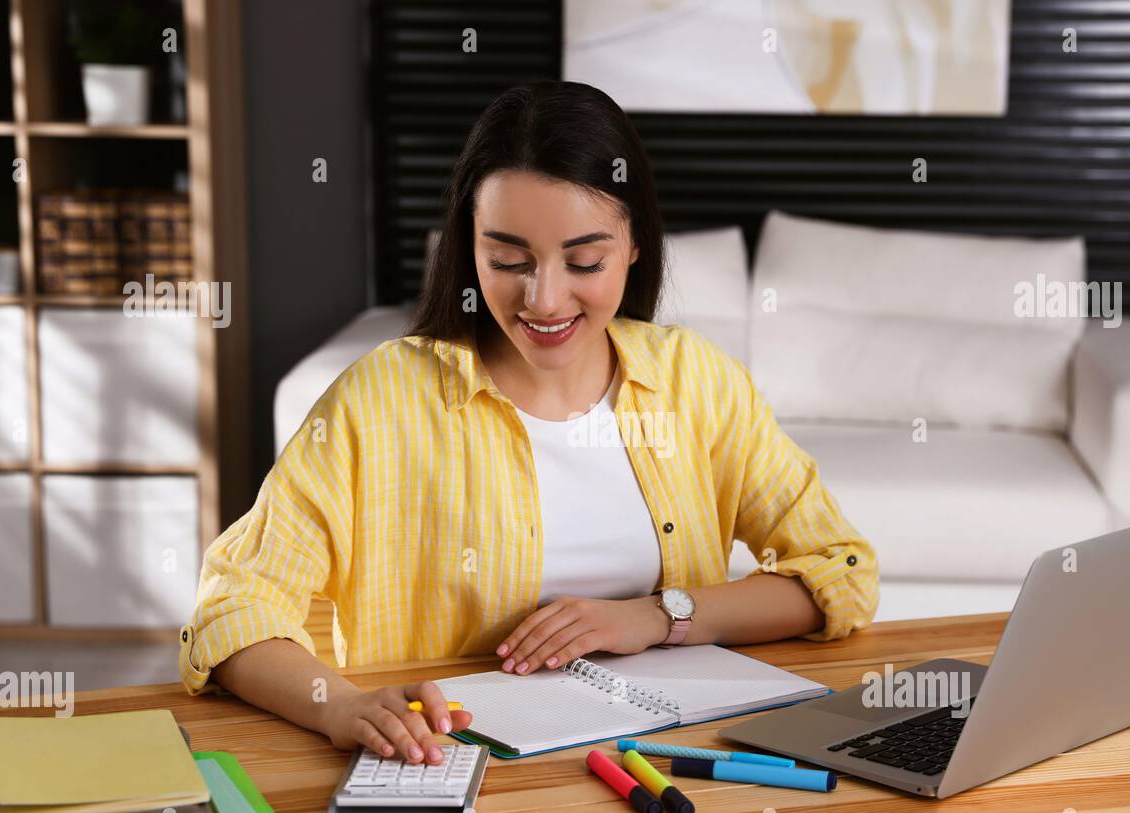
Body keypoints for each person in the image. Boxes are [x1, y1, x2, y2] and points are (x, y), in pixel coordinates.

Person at [179, 80, 879, 765]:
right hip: (457, 764)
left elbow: (840, 571)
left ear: (635, 245)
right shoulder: (381, 400)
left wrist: (658, 615)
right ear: (467, 246)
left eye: (585, 260)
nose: (544, 299)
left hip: (674, 760)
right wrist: (341, 705)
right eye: (508, 259)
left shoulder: (695, 381)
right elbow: (233, 608)